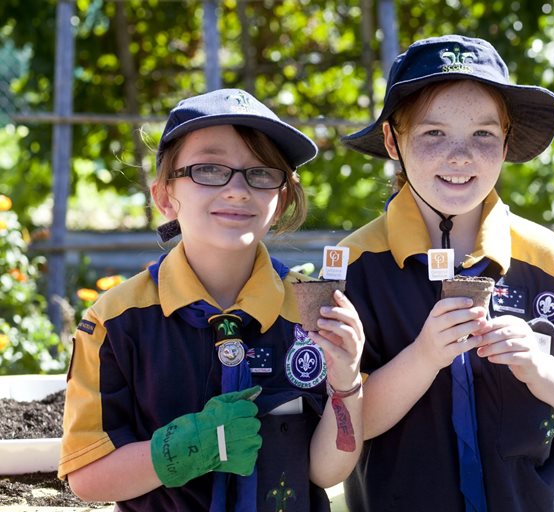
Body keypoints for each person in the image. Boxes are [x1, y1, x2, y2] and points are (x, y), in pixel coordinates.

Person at [336, 35, 554, 511]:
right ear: (392, 139)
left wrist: (540, 368)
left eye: (483, 135)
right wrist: (423, 357)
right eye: (433, 134)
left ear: (507, 142)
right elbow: (342, 425)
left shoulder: (551, 262)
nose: (460, 155)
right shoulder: (353, 268)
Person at [58, 88, 364, 511]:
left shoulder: (312, 310)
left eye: (260, 172)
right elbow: (87, 476)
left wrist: (347, 382)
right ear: (165, 196)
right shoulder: (114, 322)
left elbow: (324, 472)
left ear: (280, 200)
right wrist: (187, 447)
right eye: (209, 169)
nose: (238, 190)